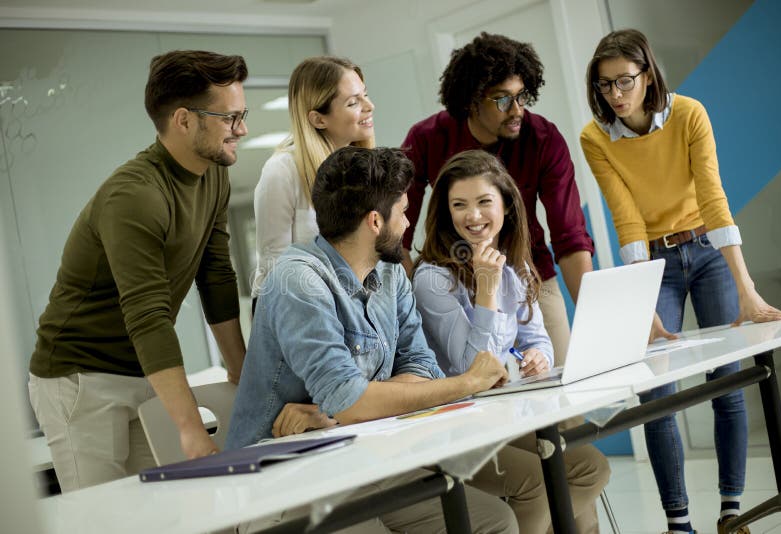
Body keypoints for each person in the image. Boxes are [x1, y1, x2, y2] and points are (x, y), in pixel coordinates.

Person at [228, 146, 517, 533]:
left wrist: (334, 410)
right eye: (403, 211)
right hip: (282, 481)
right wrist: (465, 384)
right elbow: (352, 402)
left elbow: (421, 368)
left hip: (356, 457)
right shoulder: (298, 281)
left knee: (493, 521)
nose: (409, 220)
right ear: (376, 222)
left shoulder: (390, 272)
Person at [579, 29, 781, 534]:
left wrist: (747, 287)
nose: (616, 93)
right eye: (605, 84)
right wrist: (641, 301)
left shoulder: (689, 114)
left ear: (647, 73)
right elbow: (626, 219)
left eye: (625, 80)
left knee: (728, 382)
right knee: (656, 393)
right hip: (655, 261)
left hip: (708, 251)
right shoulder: (595, 137)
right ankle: (679, 523)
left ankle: (731, 511)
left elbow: (713, 197)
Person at [28, 50, 249, 491]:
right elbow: (147, 314)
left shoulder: (213, 175)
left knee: (167, 509)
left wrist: (242, 372)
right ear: (184, 120)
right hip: (79, 377)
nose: (241, 130)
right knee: (106, 519)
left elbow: (216, 275)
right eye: (229, 118)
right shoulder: (134, 195)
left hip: (142, 371)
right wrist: (189, 426)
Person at [413, 150, 609, 533]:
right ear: (445, 212)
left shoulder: (512, 267)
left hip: (504, 417)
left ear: (506, 205)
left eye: (484, 202)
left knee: (591, 468)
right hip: (460, 427)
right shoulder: (433, 279)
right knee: (542, 485)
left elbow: (538, 337)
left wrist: (538, 355)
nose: (473, 216)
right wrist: (485, 289)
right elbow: (472, 371)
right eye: (459, 205)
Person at [402, 32, 595, 369]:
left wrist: (595, 319)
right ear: (471, 100)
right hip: (453, 282)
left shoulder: (543, 138)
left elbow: (570, 237)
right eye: (503, 100)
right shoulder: (427, 139)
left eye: (521, 96)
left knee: (561, 396)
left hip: (526, 275)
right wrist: (414, 308)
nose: (517, 109)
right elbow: (397, 234)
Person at [251, 56, 374, 306]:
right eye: (353, 103)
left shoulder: (363, 168)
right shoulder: (282, 170)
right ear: (318, 119)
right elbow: (276, 269)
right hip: (298, 311)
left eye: (365, 95)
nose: (369, 106)